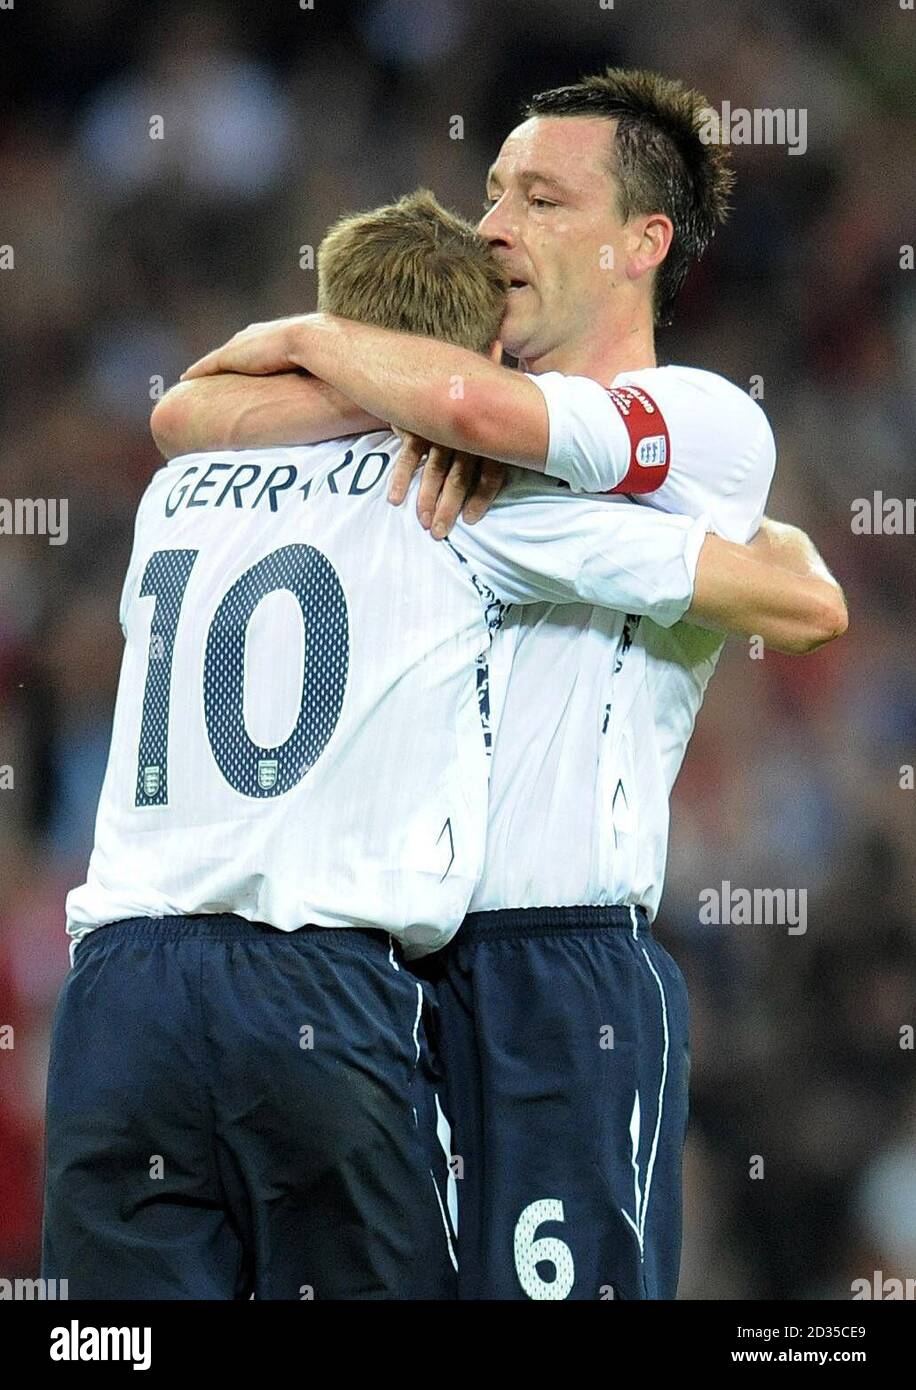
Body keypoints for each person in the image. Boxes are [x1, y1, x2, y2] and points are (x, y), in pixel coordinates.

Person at [45, 190, 833, 1303]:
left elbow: (181, 412)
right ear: (471, 357)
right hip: (319, 989)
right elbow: (799, 602)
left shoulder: (177, 490)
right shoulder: (467, 494)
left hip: (116, 1000)